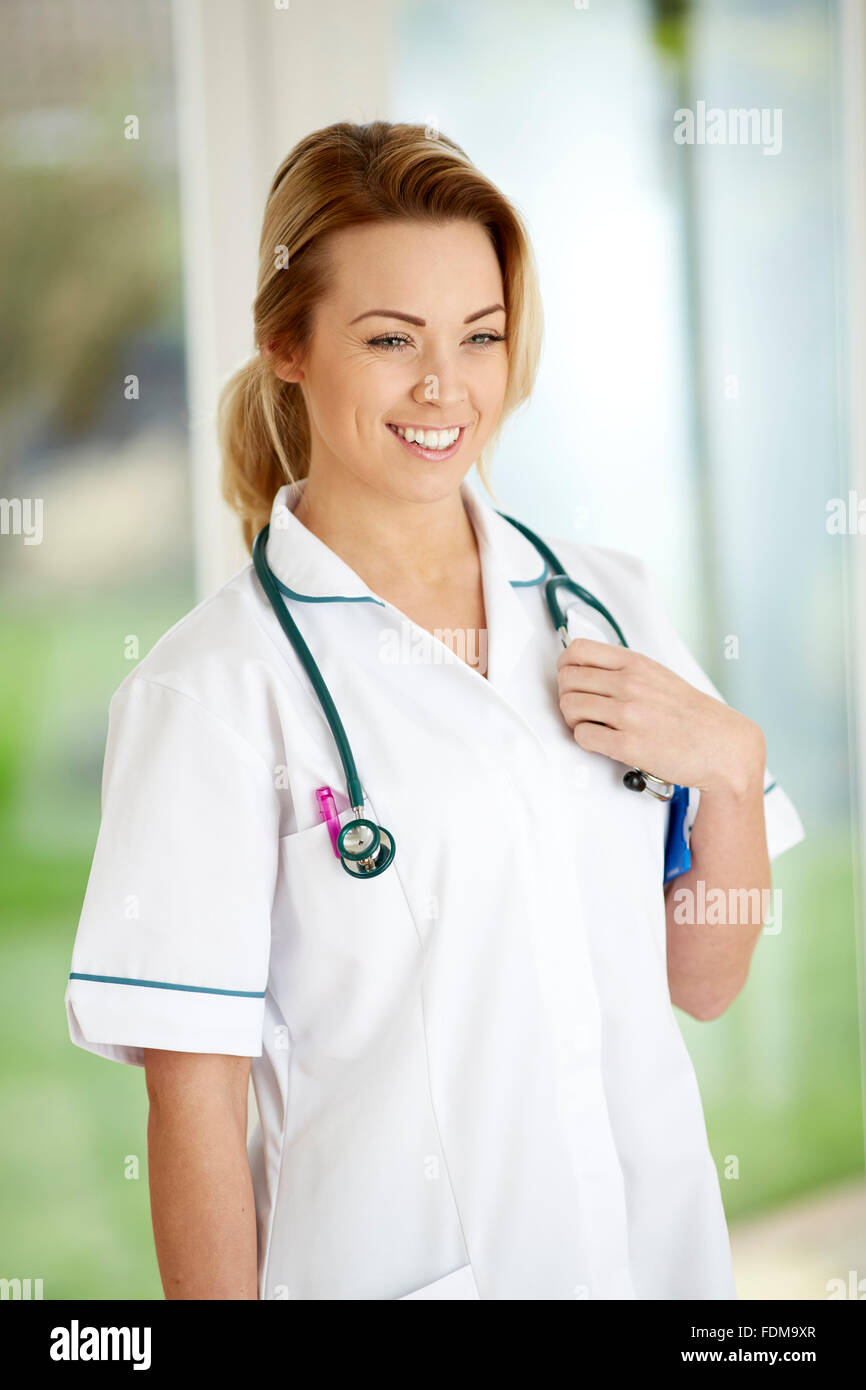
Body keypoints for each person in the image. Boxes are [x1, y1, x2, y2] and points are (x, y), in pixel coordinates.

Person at [65, 120, 805, 1301]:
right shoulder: (209, 693)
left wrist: (729, 762)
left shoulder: (604, 600)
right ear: (285, 345)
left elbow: (702, 981)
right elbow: (191, 1108)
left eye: (479, 337)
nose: (440, 386)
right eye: (389, 338)